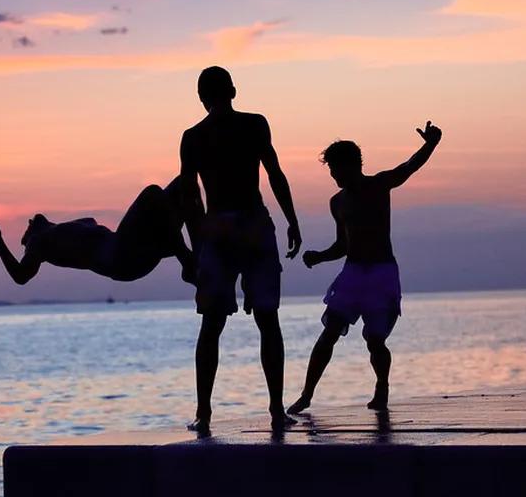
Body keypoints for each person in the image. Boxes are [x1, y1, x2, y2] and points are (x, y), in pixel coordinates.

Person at [288, 124, 442, 414]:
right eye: (330, 169)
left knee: (374, 340)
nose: (333, 174)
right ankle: (306, 395)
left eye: (336, 168)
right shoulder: (337, 202)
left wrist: (431, 144)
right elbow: (342, 245)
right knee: (329, 332)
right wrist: (319, 257)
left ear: (353, 165)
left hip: (382, 272)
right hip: (353, 273)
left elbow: (409, 167)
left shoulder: (378, 185)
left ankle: (381, 387)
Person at [179, 66, 301, 434]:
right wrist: (292, 219)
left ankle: (204, 413)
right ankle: (277, 410)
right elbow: (275, 174)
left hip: (217, 227)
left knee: (211, 324)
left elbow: (189, 196)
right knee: (268, 320)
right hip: (252, 222)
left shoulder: (193, 137)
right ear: (233, 90)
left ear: (202, 98)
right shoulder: (255, 125)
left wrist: (197, 243)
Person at [0, 178, 198, 285]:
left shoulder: (66, 228)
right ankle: (189, 261)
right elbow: (20, 276)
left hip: (139, 252)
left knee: (184, 183)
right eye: (24, 240)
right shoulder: (40, 241)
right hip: (120, 257)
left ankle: (200, 250)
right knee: (152, 193)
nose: (27, 228)